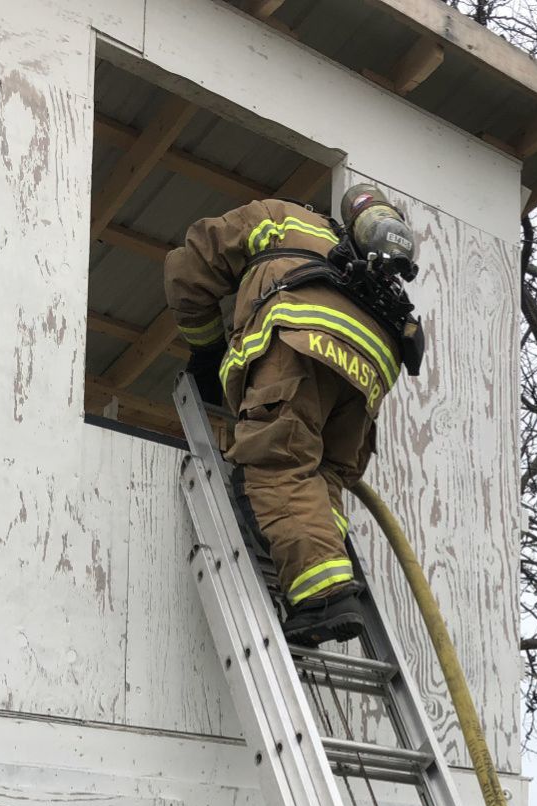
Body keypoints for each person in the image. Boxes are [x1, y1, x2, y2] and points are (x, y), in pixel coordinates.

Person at [164, 186, 423, 646]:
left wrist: (206, 349)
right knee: (322, 478)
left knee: (277, 464)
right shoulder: (366, 266)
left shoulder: (278, 215)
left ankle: (323, 597)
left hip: (305, 339)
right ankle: (319, 575)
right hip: (370, 373)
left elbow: (192, 266)